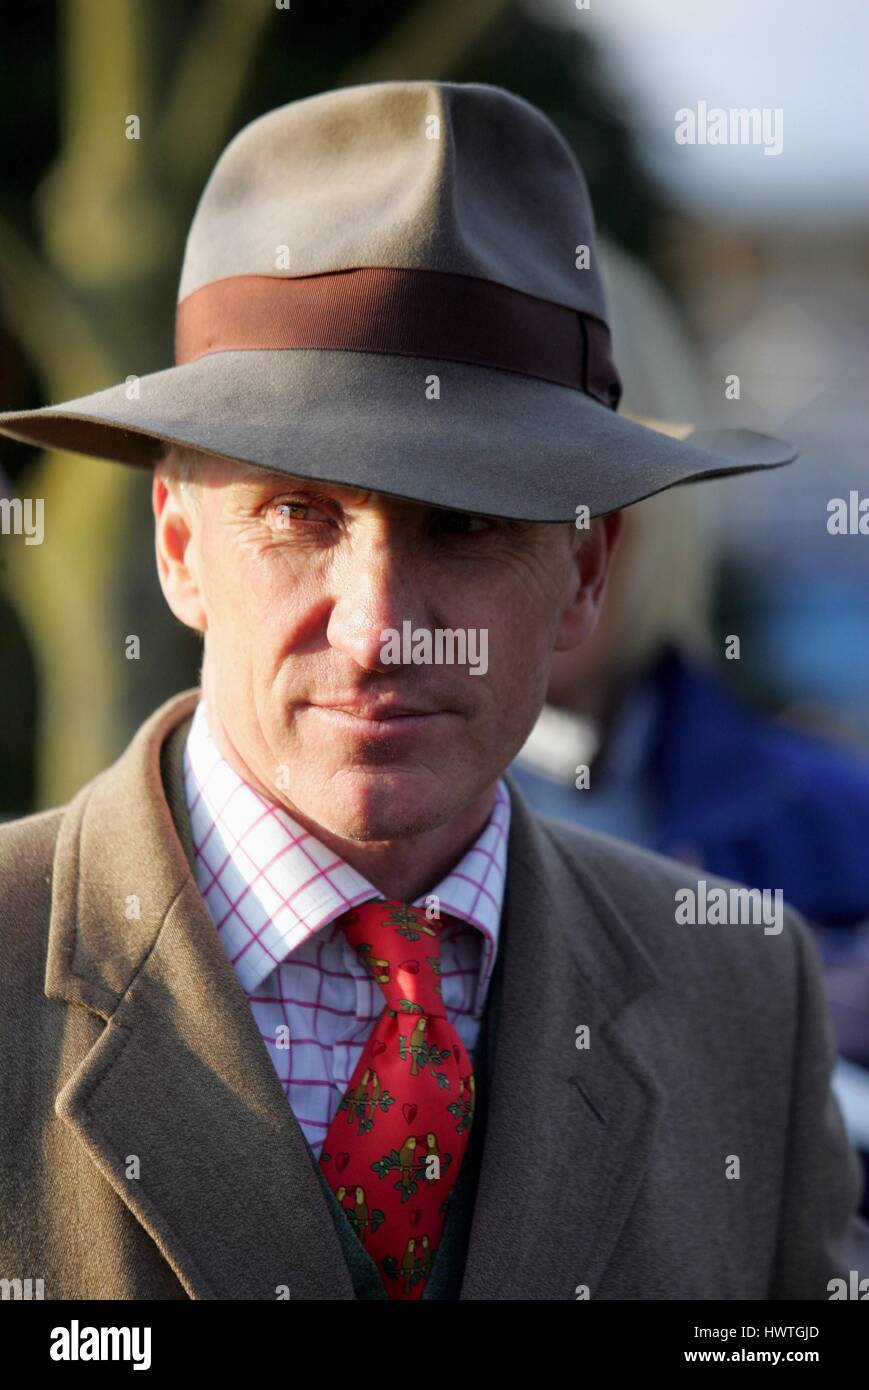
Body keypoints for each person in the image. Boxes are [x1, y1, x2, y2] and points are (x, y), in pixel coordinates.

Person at [0, 80, 865, 1302]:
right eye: (298, 513)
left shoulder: (741, 999)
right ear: (179, 547)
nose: (380, 627)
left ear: (581, 574)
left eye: (463, 526)